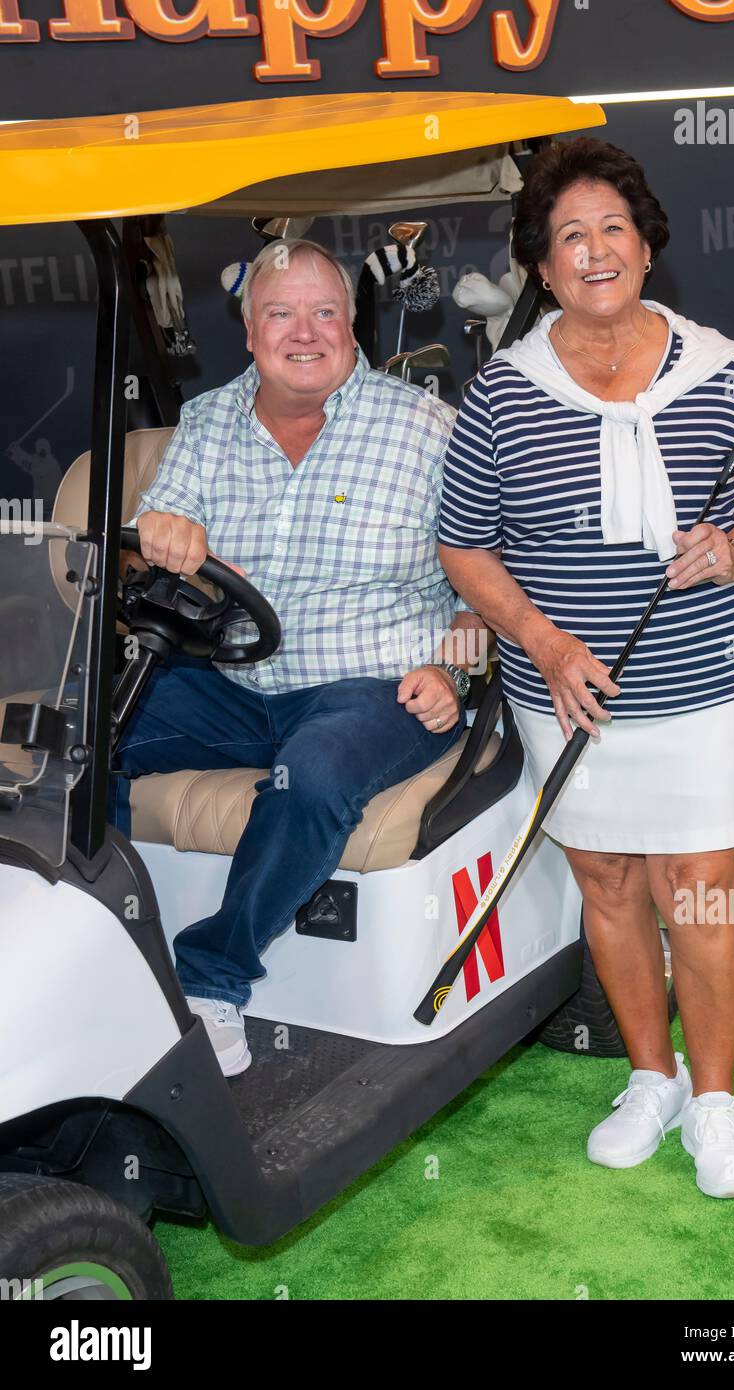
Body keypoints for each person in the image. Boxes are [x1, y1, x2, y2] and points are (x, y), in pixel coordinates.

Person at [437, 138, 734, 1200]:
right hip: (567, 692)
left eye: (612, 228)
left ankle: (715, 1100)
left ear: (643, 247)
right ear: (541, 271)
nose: (594, 250)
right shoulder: (501, 393)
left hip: (699, 683)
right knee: (604, 879)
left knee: (699, 889)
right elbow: (464, 543)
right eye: (567, 238)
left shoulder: (719, 365)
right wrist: (544, 645)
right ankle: (652, 1075)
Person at [112, 238, 484, 1077]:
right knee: (86, 732)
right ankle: (96, 938)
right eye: (282, 313)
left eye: (325, 312)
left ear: (351, 327)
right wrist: (156, 545)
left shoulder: (425, 426)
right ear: (249, 329)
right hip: (232, 678)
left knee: (312, 774)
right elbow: (147, 559)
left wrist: (454, 671)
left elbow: (482, 579)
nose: (305, 332)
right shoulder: (207, 423)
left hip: (375, 688)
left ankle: (211, 983)